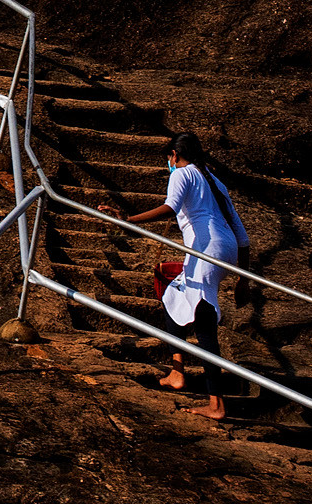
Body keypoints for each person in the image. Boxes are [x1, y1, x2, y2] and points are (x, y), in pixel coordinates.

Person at [100, 132, 251, 423]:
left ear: (174, 154)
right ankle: (176, 371)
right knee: (172, 295)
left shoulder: (182, 173)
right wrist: (243, 279)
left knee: (205, 324)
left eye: (169, 158)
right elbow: (242, 236)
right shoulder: (214, 181)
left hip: (206, 248)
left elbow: (170, 207)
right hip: (225, 248)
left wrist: (128, 220)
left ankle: (216, 404)